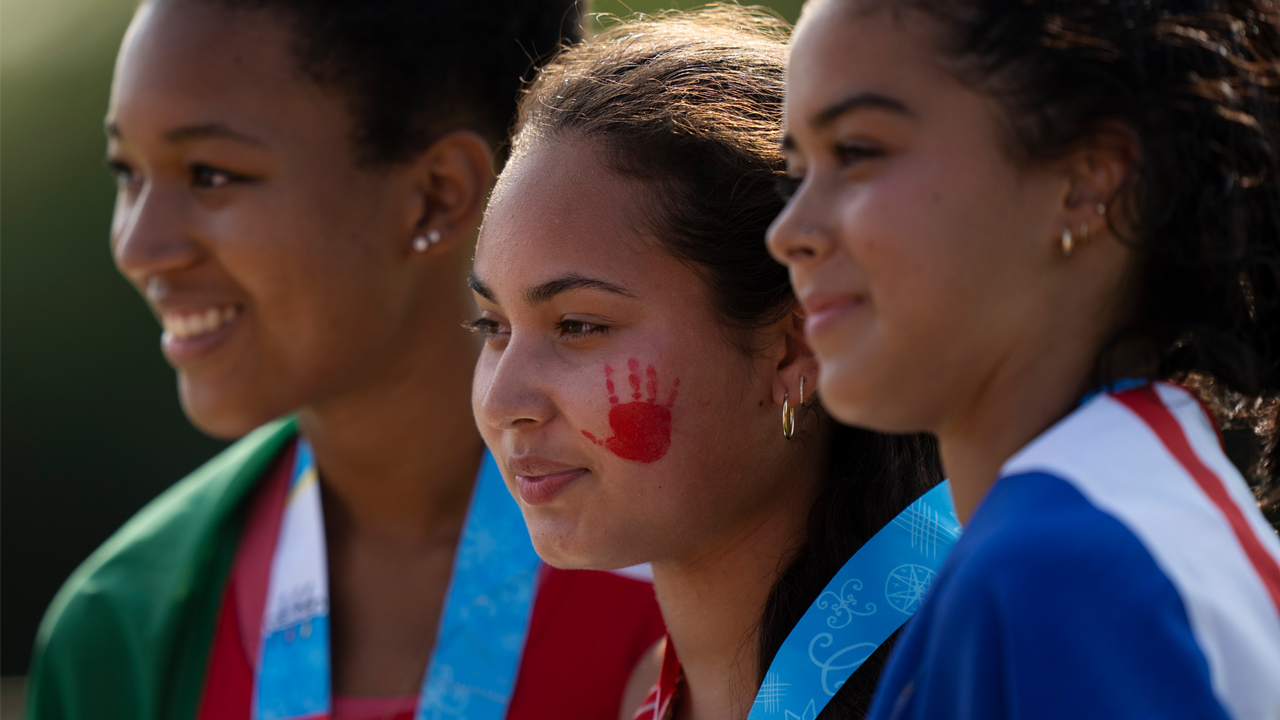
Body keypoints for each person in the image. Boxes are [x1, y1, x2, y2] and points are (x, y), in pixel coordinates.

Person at [27, 1, 667, 719]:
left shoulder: (707, 566)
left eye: (209, 174)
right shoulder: (118, 630)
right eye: (127, 173)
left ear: (435, 196)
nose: (138, 247)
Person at [768, 0, 1280, 717]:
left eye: (856, 151)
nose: (787, 232)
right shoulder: (1117, 515)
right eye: (796, 173)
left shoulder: (1062, 570)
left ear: (1087, 180)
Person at [470, 9, 952, 720]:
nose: (503, 399)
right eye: (493, 327)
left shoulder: (983, 674)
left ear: (794, 348)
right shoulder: (655, 698)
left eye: (578, 326)